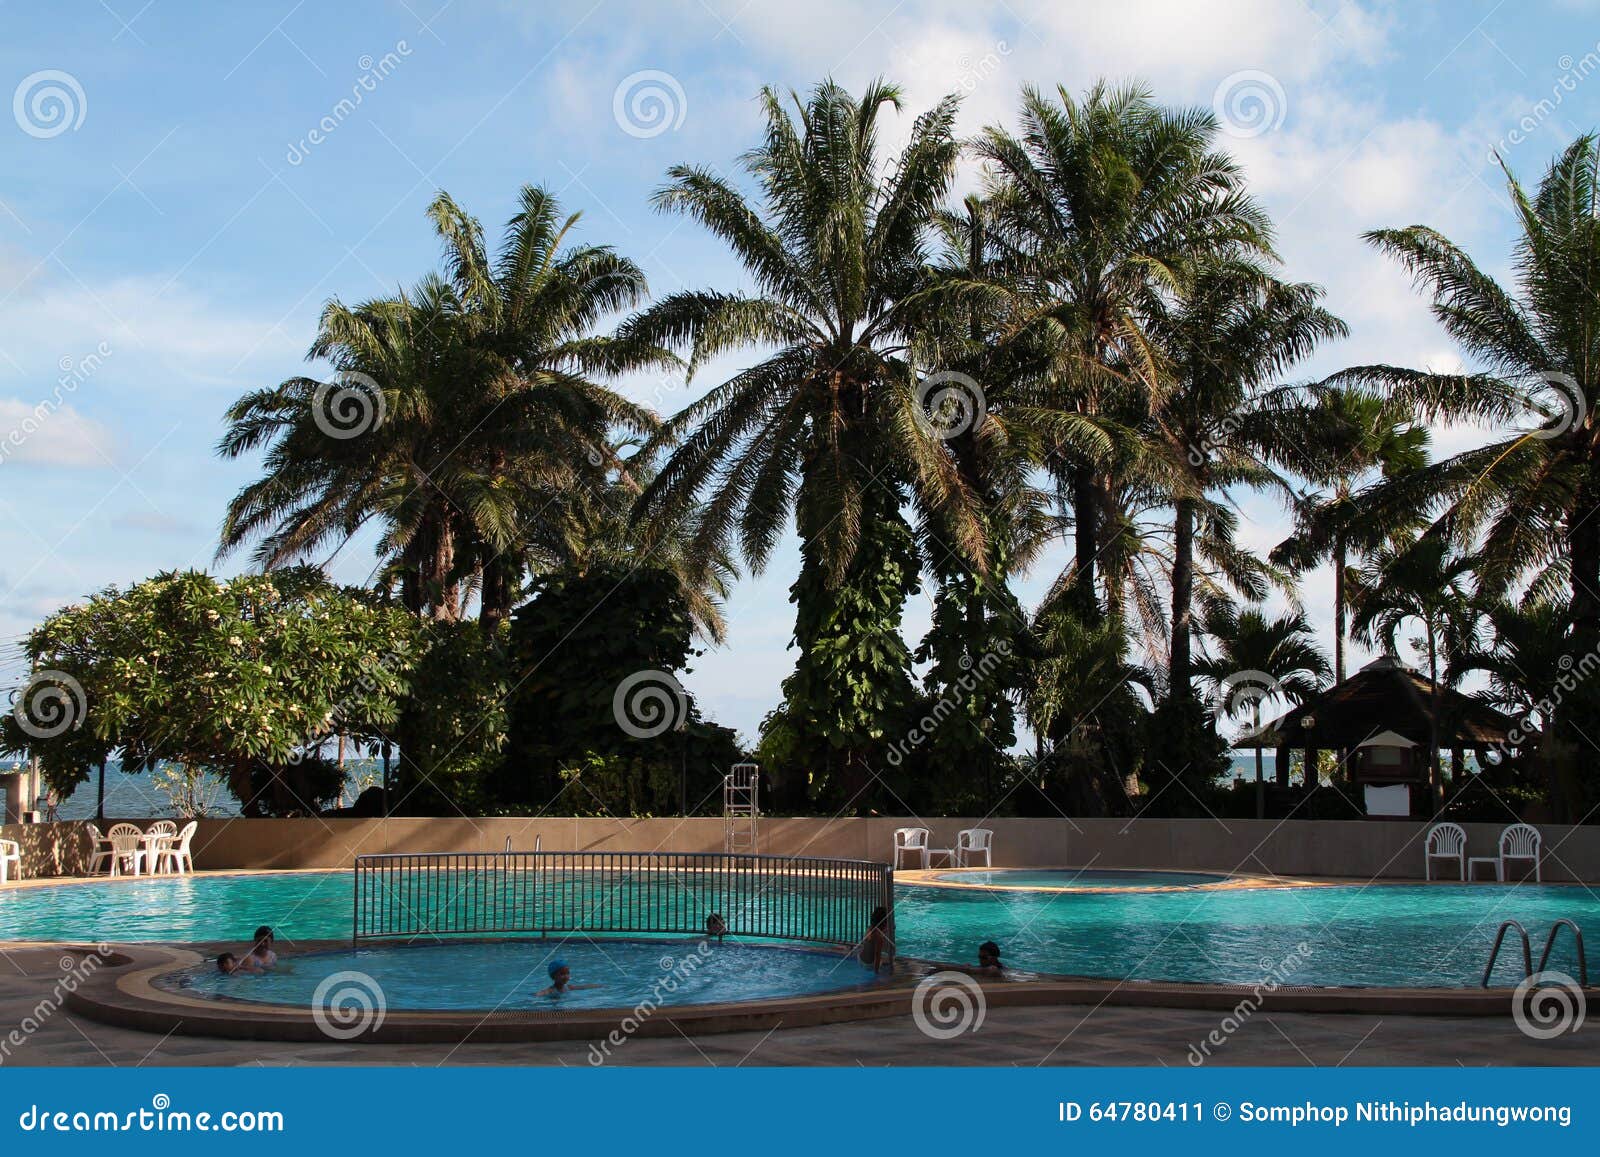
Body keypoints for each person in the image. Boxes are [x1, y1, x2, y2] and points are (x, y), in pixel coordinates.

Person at [535, 959, 600, 997]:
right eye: (562, 974)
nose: (566, 976)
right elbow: (541, 993)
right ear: (553, 976)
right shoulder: (551, 990)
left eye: (567, 973)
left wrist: (599, 986)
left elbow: (584, 987)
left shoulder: (569, 987)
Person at [859, 906, 892, 971]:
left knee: (884, 955)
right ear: (884, 922)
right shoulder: (879, 938)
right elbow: (877, 955)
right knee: (888, 961)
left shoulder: (869, 928)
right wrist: (877, 972)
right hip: (869, 965)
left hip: (860, 959)